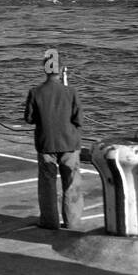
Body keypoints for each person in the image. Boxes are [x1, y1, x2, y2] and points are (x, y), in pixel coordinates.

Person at [23, 56, 84, 230]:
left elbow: (29, 118)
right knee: (71, 181)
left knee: (47, 183)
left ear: (45, 70)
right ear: (59, 70)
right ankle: (72, 221)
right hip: (69, 142)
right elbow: (79, 119)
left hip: (46, 143)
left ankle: (50, 221)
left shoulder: (35, 92)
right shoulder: (71, 92)